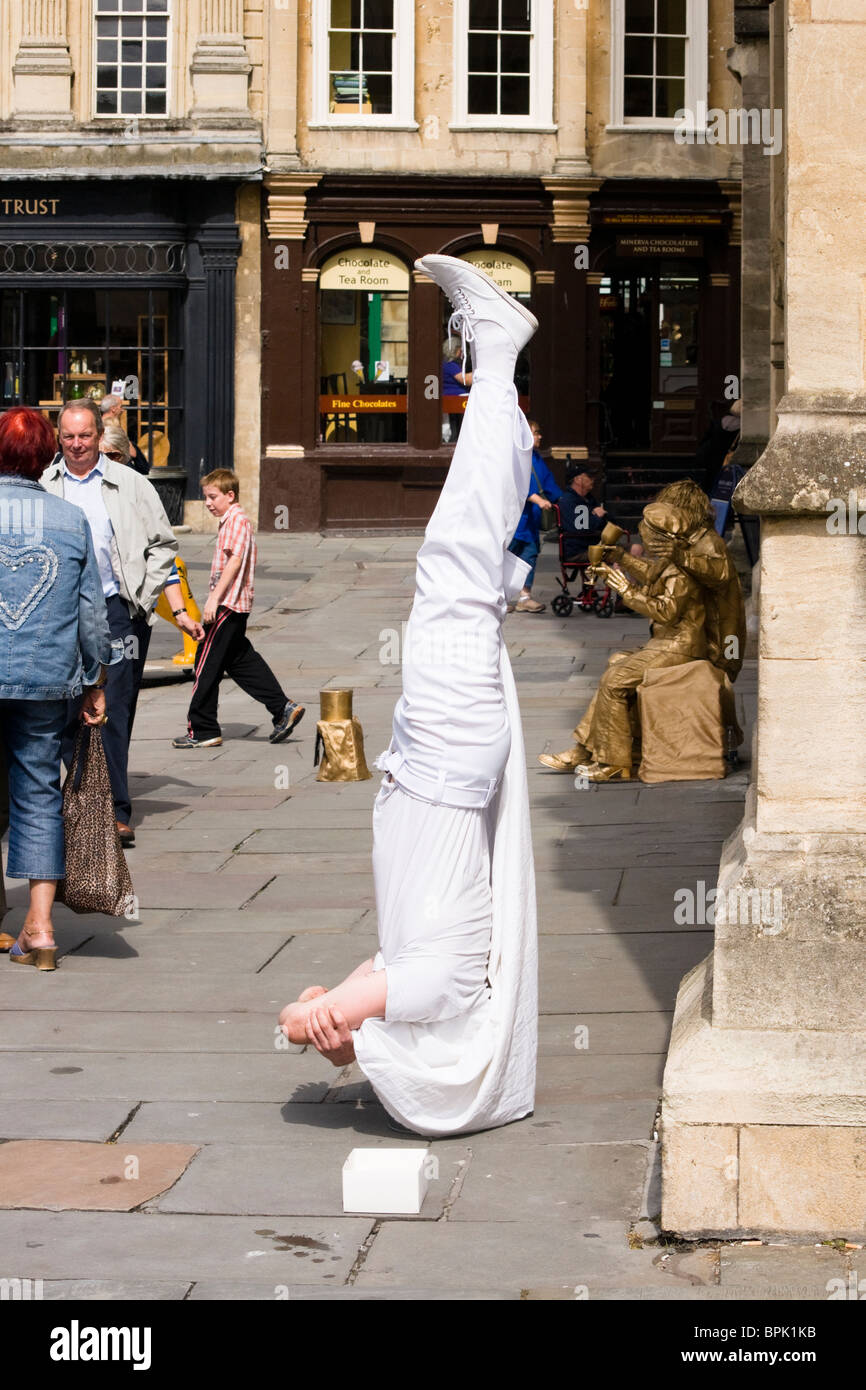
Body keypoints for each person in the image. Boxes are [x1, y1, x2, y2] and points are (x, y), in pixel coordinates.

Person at [278, 253, 539, 1138]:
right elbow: (310, 1014)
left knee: (463, 568)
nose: (343, 1037)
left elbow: (338, 1002)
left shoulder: (413, 975)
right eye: (353, 1045)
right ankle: (499, 355)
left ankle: (505, 407)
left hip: (441, 760)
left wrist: (334, 1009)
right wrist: (319, 1016)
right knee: (454, 568)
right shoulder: (441, 985)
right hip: (448, 755)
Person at [0, 407, 111, 971]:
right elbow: (92, 614)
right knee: (40, 792)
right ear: (48, 455)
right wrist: (96, 678)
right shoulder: (69, 520)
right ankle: (40, 930)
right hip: (46, 680)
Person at [41, 399, 178, 847]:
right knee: (64, 712)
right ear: (59, 438)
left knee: (113, 709)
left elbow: (163, 543)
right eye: (69, 437)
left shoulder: (130, 483)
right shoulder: (45, 484)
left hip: (116, 608)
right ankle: (85, 797)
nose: (77, 444)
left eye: (85, 435)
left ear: (100, 436)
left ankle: (115, 810)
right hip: (60, 613)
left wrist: (143, 593)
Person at [538, 501, 709, 780]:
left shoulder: (681, 568)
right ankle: (587, 749)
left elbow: (664, 612)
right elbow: (652, 574)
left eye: (649, 534)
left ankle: (613, 760)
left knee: (615, 680)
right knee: (615, 663)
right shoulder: (673, 560)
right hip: (667, 641)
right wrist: (618, 561)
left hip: (680, 644)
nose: (645, 539)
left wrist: (625, 589)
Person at [171, 470, 304, 749]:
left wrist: (213, 600)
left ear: (230, 496)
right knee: (242, 661)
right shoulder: (234, 521)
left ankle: (203, 728)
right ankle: (282, 708)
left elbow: (234, 562)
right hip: (236, 605)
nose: (208, 502)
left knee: (205, 664)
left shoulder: (235, 521)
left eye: (213, 497)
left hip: (227, 605)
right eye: (206, 497)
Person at [506, 420, 561, 613]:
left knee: (529, 556)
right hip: (513, 520)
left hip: (530, 522)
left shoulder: (536, 459)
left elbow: (549, 485)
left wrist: (564, 501)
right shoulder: (513, 457)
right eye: (536, 433)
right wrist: (537, 500)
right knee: (505, 556)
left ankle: (525, 597)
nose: (540, 436)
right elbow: (518, 485)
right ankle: (499, 597)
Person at [558, 465, 619, 560]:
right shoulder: (569, 501)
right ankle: (617, 574)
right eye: (589, 477)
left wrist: (601, 516)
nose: (593, 479)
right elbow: (583, 528)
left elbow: (611, 522)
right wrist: (598, 517)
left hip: (597, 545)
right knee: (622, 557)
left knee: (636, 549)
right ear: (578, 480)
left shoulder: (589, 499)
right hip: (580, 550)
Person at [100, 394, 145, 473]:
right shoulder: (113, 426)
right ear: (113, 409)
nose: (122, 410)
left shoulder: (96, 425)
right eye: (121, 406)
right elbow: (133, 453)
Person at [442, 334, 472, 443]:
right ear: (456, 350)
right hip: (456, 400)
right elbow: (466, 380)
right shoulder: (450, 365)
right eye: (460, 350)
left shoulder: (447, 364)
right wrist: (480, 372)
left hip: (453, 399)